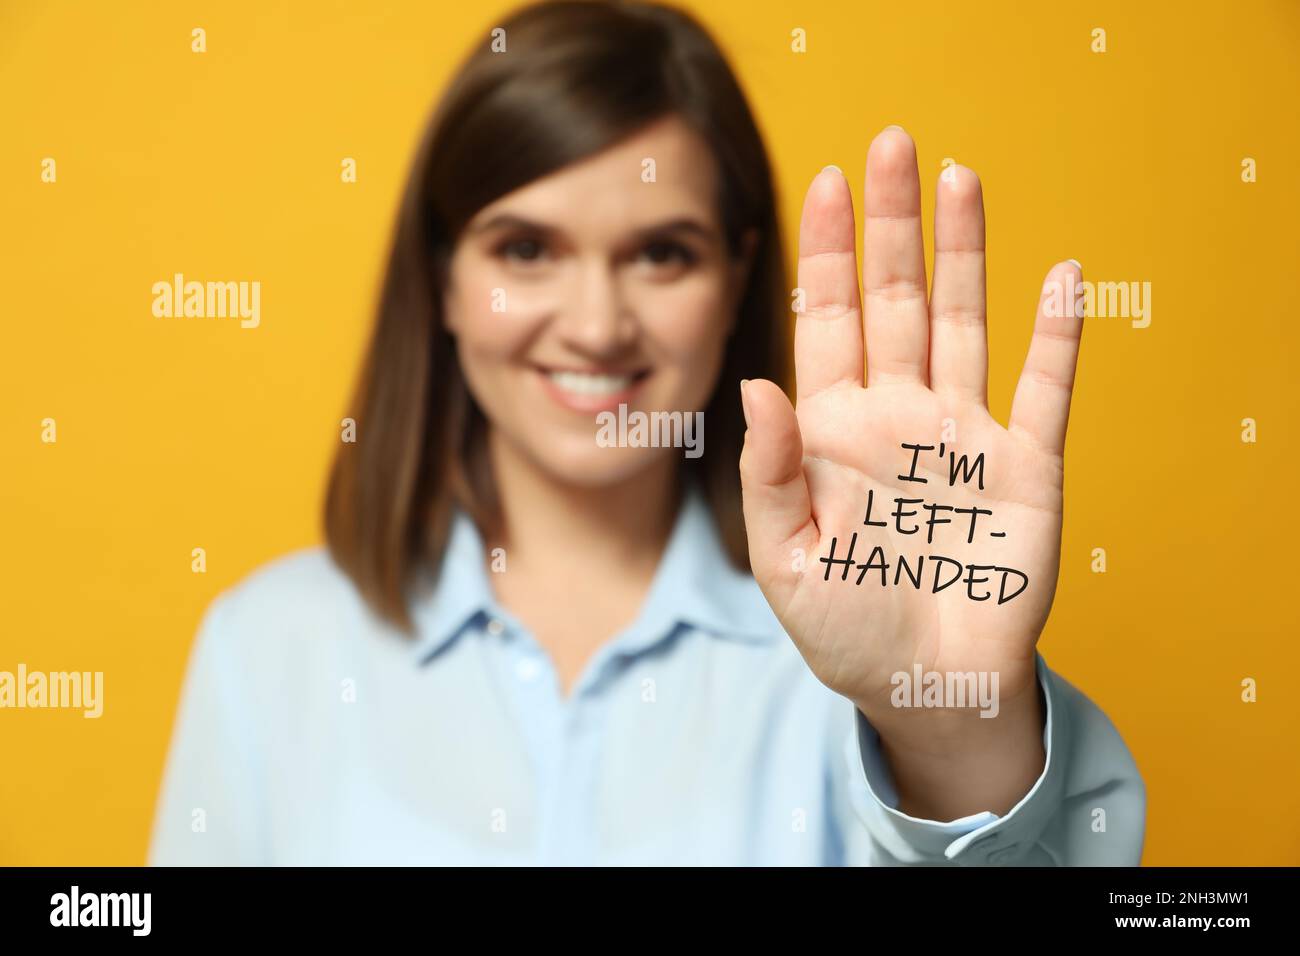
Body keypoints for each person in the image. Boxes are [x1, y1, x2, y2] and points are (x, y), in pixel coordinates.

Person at [149, 0, 1144, 865]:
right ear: (443, 277)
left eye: (661, 253)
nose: (593, 324)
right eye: (525, 249)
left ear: (735, 281)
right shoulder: (265, 650)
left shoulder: (861, 636)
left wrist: (947, 729)